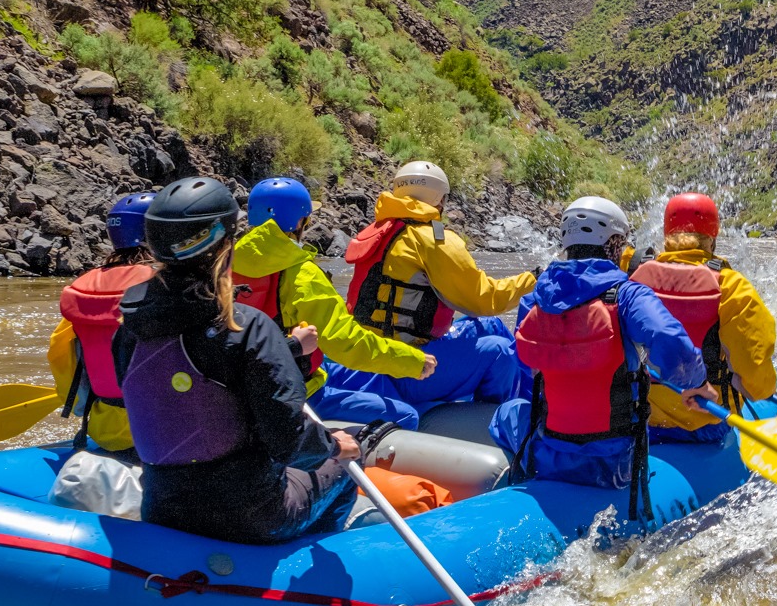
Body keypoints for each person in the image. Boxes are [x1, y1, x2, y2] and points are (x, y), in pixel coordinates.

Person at [113, 176, 360, 544]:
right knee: (343, 468)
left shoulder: (128, 328)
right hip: (253, 516)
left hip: (163, 507)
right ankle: (308, 569)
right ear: (225, 245)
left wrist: (286, 350)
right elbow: (288, 442)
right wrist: (334, 446)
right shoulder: (248, 326)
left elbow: (193, 381)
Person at [489, 196, 713, 520]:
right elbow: (669, 340)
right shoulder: (627, 294)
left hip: (549, 454)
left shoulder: (534, 298)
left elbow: (525, 372)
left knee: (507, 411)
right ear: (614, 244)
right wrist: (696, 383)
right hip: (614, 463)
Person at [331, 160, 536, 416]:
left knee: (490, 325)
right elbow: (484, 299)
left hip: (374, 356)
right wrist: (533, 280)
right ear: (439, 197)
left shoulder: (381, 231)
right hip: (405, 369)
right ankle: (497, 420)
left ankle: (526, 400)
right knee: (499, 350)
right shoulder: (433, 239)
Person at [232, 177, 438, 429]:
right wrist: (413, 361)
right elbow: (345, 343)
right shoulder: (302, 274)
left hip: (242, 383)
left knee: (344, 371)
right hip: (294, 392)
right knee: (407, 415)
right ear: (299, 222)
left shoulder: (225, 263)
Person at [631, 192, 777, 441]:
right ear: (712, 237)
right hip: (708, 424)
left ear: (667, 235)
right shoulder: (731, 286)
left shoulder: (635, 278)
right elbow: (757, 386)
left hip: (641, 419)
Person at [47, 192, 156, 454]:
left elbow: (61, 358)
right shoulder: (165, 285)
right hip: (161, 431)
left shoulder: (83, 286)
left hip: (103, 428)